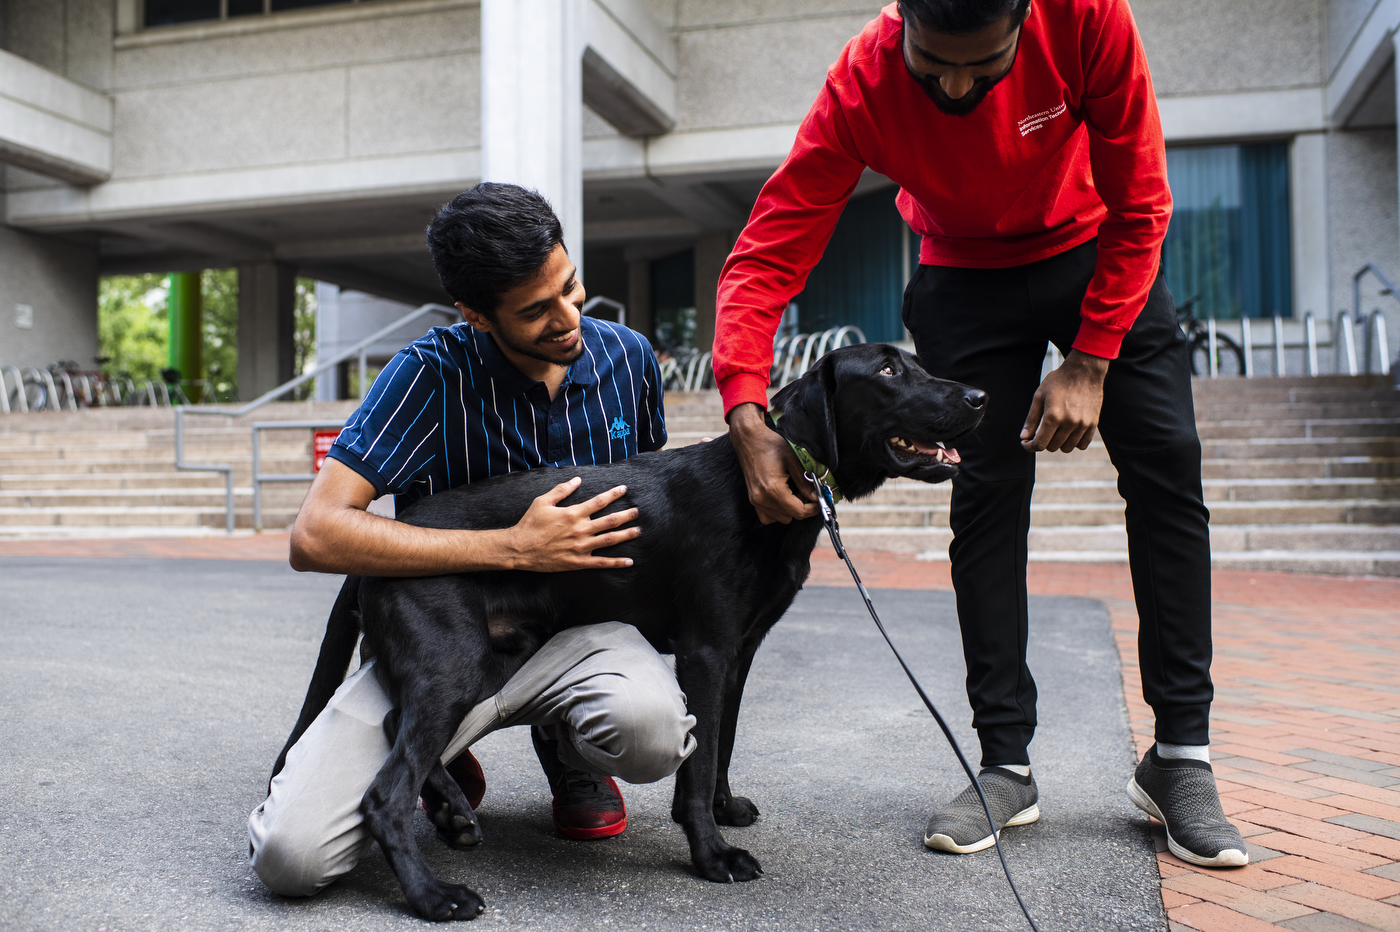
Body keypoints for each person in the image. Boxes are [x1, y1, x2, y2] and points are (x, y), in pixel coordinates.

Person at [713, 0, 1248, 868]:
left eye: (983, 67)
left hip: (1097, 248)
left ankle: (1180, 759)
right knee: (987, 497)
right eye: (934, 67)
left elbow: (1142, 201)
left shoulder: (1088, 21)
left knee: (1167, 471)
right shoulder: (862, 79)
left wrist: (1091, 357)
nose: (957, 87)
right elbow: (771, 248)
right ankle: (1005, 763)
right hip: (963, 272)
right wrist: (743, 402)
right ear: (903, 29)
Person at [248, 183, 697, 897]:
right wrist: (513, 548)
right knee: (290, 859)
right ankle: (434, 751)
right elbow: (316, 534)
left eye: (570, 287)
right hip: (446, 633)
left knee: (651, 731)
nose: (567, 318)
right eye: (535, 310)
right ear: (475, 316)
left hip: (581, 629)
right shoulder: (427, 375)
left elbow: (650, 501)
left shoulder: (629, 359)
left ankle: (569, 748)